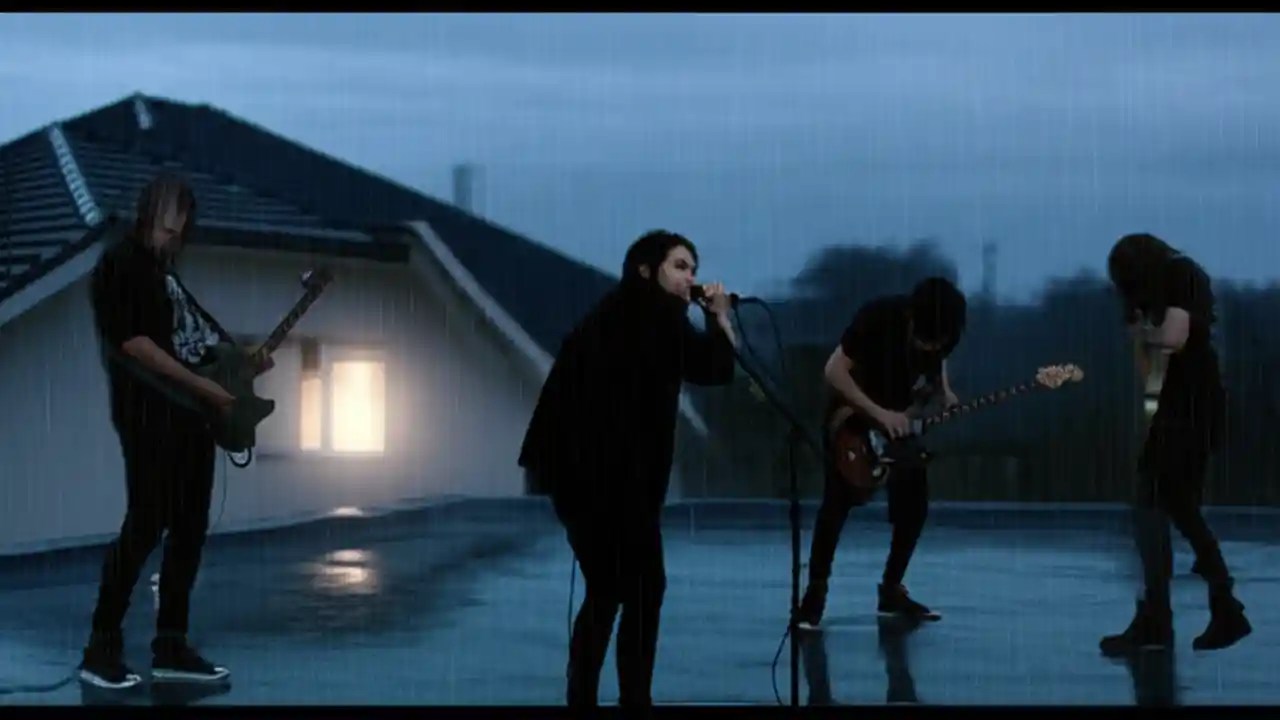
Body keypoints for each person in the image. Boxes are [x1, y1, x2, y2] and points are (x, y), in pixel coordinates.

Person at [518, 230, 738, 707]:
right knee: (631, 587)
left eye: (693, 269)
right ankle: (623, 696)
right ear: (645, 269)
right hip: (598, 480)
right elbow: (715, 368)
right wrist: (719, 317)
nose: (690, 278)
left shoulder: (633, 313)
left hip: (601, 480)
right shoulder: (650, 317)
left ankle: (598, 694)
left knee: (618, 588)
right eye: (679, 266)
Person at [80, 174, 242, 689]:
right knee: (145, 526)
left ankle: (171, 647)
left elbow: (192, 343)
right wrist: (204, 386)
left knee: (189, 530)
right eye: (170, 214)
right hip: (150, 417)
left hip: (193, 420)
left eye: (184, 217)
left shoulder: (165, 273)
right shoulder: (120, 263)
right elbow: (134, 343)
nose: (177, 227)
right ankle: (100, 650)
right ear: (148, 208)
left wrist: (235, 370)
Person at [1099, 232, 1251, 655]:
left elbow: (1173, 337)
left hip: (1194, 408)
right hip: (1176, 409)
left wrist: (1145, 332)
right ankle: (1203, 607)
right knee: (1166, 506)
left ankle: (1187, 610)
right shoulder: (1153, 294)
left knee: (1165, 504)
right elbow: (1152, 367)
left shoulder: (1181, 276)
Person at [795, 277, 968, 630]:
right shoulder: (880, 317)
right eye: (924, 340)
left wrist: (943, 391)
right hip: (852, 413)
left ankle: (892, 589)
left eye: (938, 342)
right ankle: (814, 596)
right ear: (912, 320)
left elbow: (937, 361)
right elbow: (834, 371)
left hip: (898, 419)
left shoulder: (946, 332)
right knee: (837, 502)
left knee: (914, 502)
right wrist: (879, 414)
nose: (930, 347)